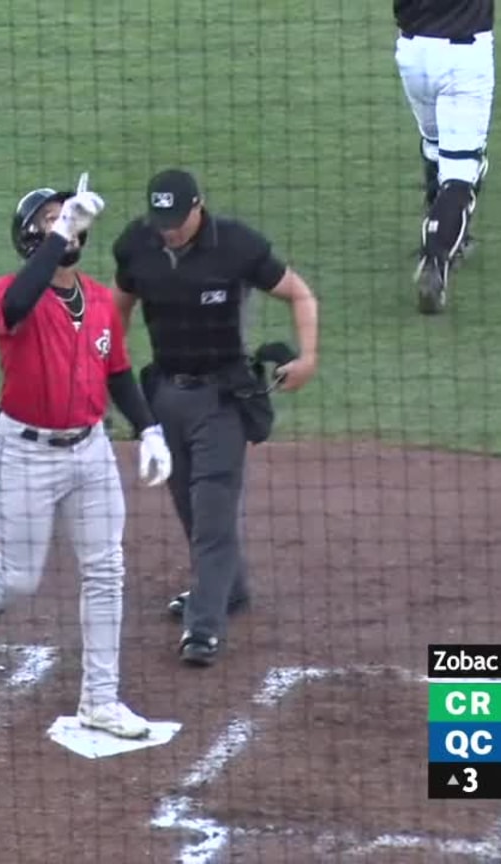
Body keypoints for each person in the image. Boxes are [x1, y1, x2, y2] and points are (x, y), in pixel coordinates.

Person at [0, 173, 173, 740]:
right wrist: (60, 231)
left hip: (90, 451)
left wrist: (150, 431)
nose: (62, 226)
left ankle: (100, 699)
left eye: (65, 217)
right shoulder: (8, 292)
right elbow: (22, 299)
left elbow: (116, 371)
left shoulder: (97, 299)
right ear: (30, 237)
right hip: (25, 455)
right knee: (20, 578)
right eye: (47, 220)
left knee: (106, 571)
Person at [110, 169, 319, 667]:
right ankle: (230, 588)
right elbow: (117, 312)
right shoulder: (136, 245)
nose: (170, 230)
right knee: (186, 503)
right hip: (163, 397)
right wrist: (105, 370)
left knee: (213, 511)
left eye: (178, 220)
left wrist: (307, 358)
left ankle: (202, 627)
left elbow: (300, 293)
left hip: (223, 398)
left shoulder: (237, 246)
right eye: (162, 221)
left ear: (199, 206)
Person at [393, 0, 496, 313]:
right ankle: (436, 257)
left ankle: (452, 235)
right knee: (461, 170)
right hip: (464, 56)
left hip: (412, 54)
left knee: (435, 145)